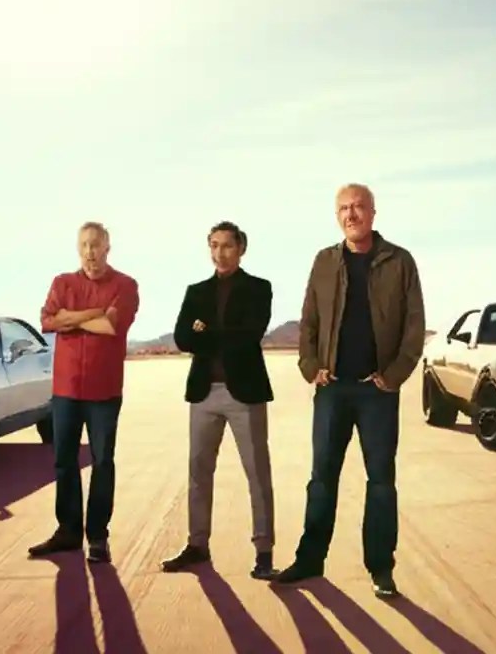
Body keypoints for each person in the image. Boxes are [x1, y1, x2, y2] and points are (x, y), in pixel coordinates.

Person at [272, 183, 425, 599]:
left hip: (377, 392)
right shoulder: (325, 261)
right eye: (343, 208)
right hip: (333, 390)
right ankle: (309, 560)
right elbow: (308, 322)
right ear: (336, 215)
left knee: (381, 482)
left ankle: (381, 568)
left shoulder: (399, 261)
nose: (351, 214)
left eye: (358, 206)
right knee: (321, 478)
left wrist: (393, 376)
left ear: (374, 212)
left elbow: (414, 327)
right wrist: (310, 367)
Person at [159, 221, 278, 580]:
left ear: (241, 248)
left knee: (257, 473)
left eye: (227, 245)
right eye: (214, 245)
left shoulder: (259, 288)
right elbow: (182, 337)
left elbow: (249, 336)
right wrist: (211, 335)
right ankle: (197, 545)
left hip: (245, 394)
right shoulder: (196, 291)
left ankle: (264, 552)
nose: (220, 253)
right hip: (203, 393)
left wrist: (206, 332)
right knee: (198, 472)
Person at [28, 221, 139, 564]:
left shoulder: (125, 285)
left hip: (104, 391)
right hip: (66, 389)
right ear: (79, 249)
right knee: (64, 460)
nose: (91, 252)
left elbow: (111, 326)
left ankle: (97, 536)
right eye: (85, 246)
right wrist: (91, 314)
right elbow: (48, 321)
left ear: (108, 247)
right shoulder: (63, 282)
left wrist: (70, 318)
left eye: (96, 245)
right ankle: (69, 531)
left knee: (102, 462)